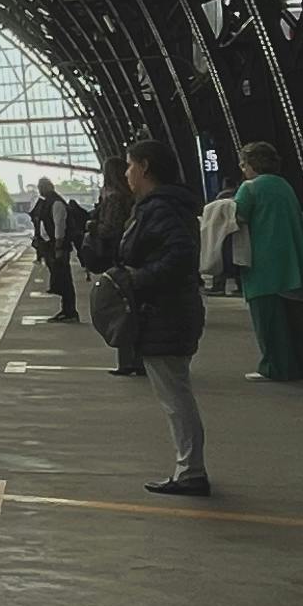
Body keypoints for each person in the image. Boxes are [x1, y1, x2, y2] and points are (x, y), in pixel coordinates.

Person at [112, 131, 210, 495]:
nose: (126, 174)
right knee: (176, 393)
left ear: (145, 167)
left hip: (165, 313)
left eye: (130, 166)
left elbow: (181, 254)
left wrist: (138, 279)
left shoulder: (160, 207)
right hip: (171, 311)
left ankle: (191, 472)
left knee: (175, 398)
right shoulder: (169, 205)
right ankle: (189, 467)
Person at [233, 140, 303, 379]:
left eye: (243, 164)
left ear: (251, 164)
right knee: (298, 323)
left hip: (265, 263)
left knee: (270, 321)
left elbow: (238, 217)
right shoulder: (284, 186)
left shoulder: (250, 188)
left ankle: (275, 367)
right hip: (295, 260)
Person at [77, 163, 144, 372]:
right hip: (130, 256)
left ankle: (128, 361)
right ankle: (135, 360)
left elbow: (110, 229)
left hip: (117, 258)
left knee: (121, 309)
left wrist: (92, 226)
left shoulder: (113, 198)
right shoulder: (130, 196)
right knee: (132, 308)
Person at [27, 175, 80, 320]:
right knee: (60, 277)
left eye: (41, 187)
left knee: (64, 278)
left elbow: (59, 227)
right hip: (50, 246)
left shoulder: (56, 203)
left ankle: (70, 311)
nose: (40, 190)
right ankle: (66, 310)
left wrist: (58, 247)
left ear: (48, 187)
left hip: (58, 247)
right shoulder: (48, 202)